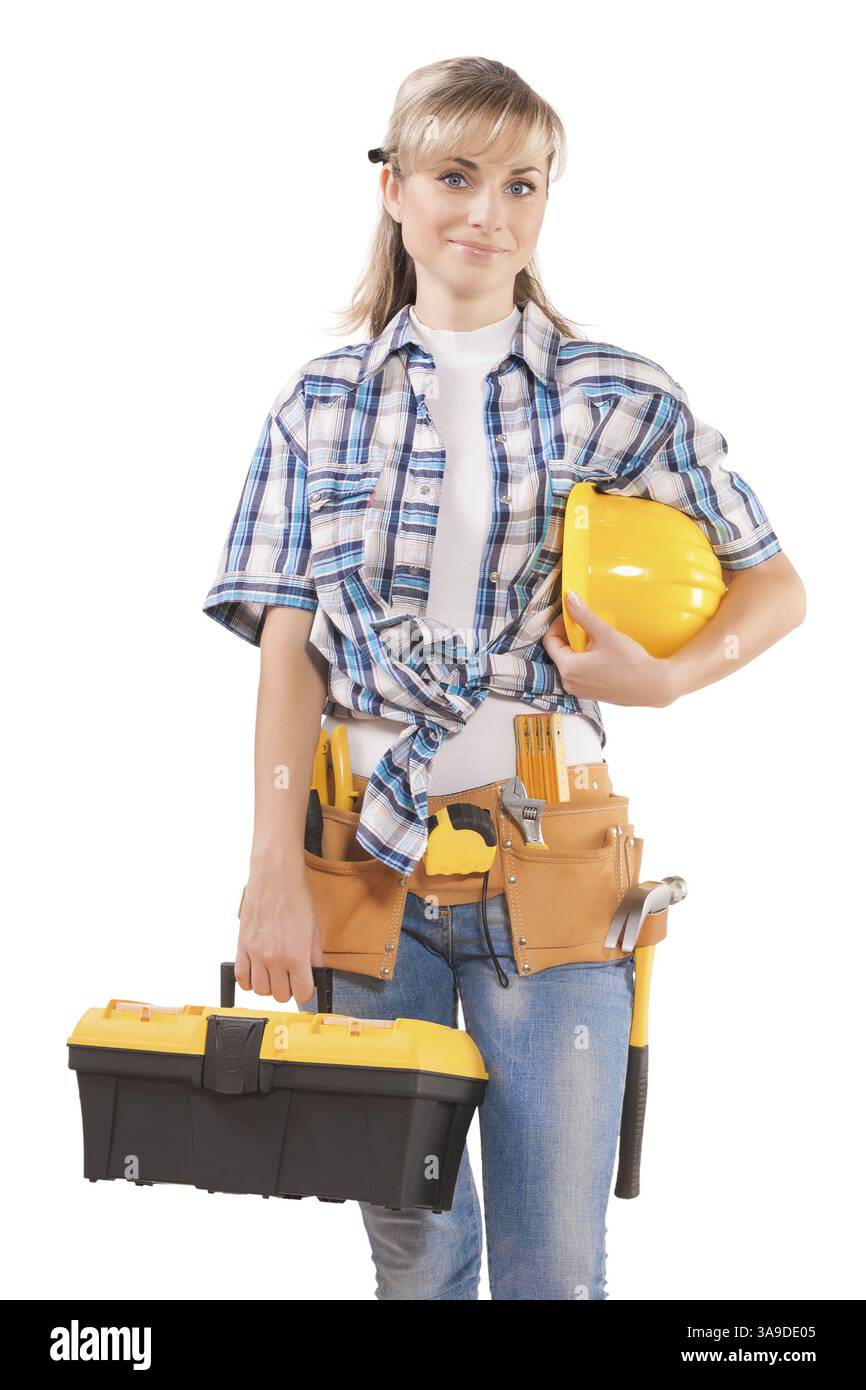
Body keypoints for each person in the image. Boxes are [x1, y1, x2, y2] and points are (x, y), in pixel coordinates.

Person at [202, 57, 806, 1300]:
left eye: (519, 184)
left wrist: (668, 679)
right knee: (413, 1255)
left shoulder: (615, 395)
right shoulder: (316, 405)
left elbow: (775, 585)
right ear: (394, 189)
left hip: (556, 864)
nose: (486, 211)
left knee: (553, 1267)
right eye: (455, 176)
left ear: (543, 204)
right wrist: (271, 871)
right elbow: (285, 652)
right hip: (359, 868)